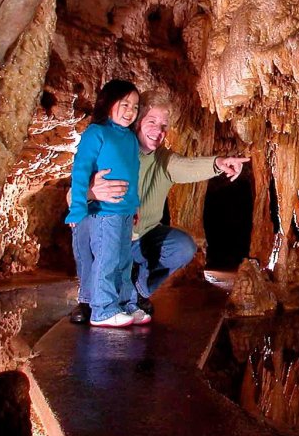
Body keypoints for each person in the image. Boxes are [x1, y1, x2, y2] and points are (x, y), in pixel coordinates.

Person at [70, 89, 248, 324]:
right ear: (138, 120)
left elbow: (187, 166)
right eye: (152, 121)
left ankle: (138, 292)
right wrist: (91, 192)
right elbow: (72, 196)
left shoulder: (163, 160)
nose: (159, 130)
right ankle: (88, 299)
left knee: (183, 246)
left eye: (164, 125)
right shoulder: (114, 147)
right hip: (106, 234)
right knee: (82, 222)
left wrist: (219, 163)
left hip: (141, 237)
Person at [65, 80, 148, 328]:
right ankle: (102, 309)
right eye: (124, 104)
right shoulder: (96, 132)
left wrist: (134, 206)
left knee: (124, 261)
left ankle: (125, 304)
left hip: (123, 211)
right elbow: (80, 171)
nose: (130, 111)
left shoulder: (131, 140)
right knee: (107, 260)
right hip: (103, 212)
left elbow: (132, 175)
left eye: (135, 106)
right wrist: (77, 209)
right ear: (108, 103)